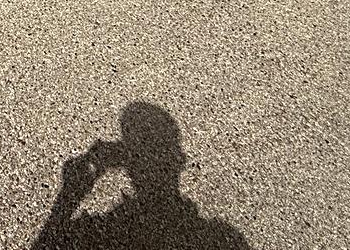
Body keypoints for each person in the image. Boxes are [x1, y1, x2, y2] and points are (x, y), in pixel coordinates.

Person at [33, 102, 250, 249]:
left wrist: (71, 191)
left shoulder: (104, 236)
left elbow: (49, 242)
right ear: (179, 158)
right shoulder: (220, 238)